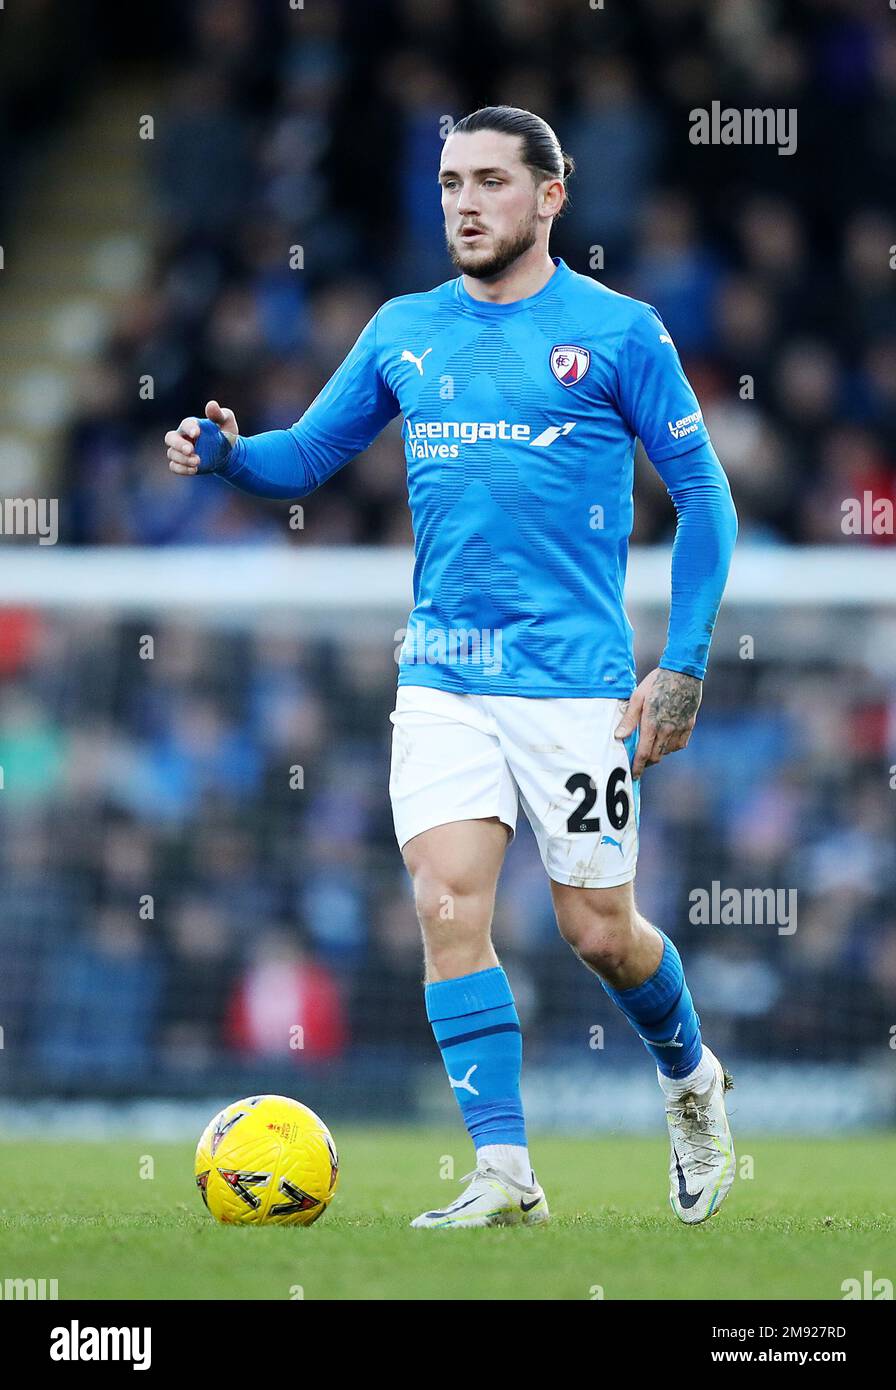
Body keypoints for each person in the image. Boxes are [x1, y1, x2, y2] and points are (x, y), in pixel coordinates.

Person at [165, 105, 738, 1229]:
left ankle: (690, 1080)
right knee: (446, 906)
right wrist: (230, 456)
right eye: (448, 184)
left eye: (488, 181)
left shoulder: (619, 332)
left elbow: (705, 498)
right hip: (442, 676)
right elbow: (306, 457)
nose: (464, 204)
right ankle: (504, 1171)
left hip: (575, 684)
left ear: (550, 196)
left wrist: (682, 663)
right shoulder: (403, 329)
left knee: (598, 932)